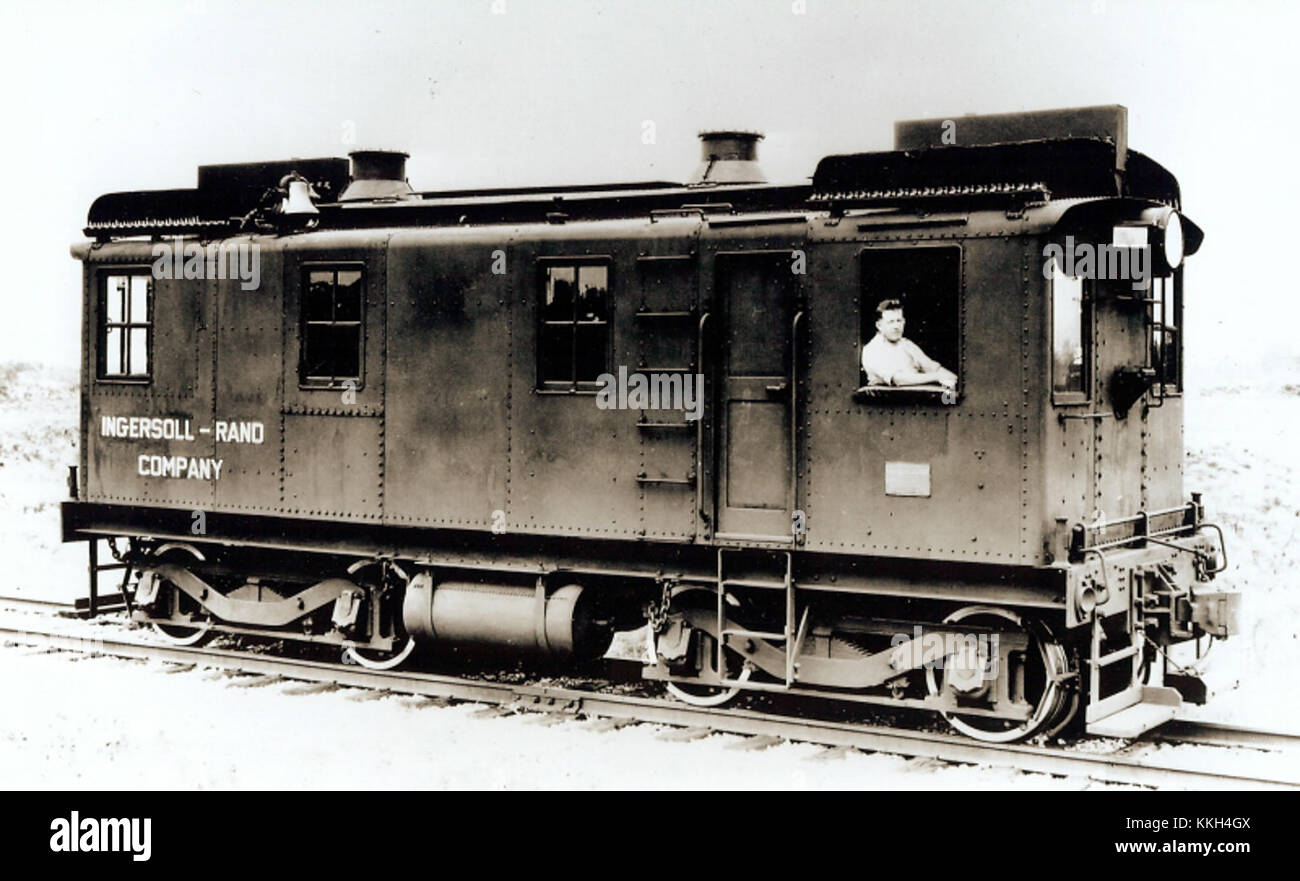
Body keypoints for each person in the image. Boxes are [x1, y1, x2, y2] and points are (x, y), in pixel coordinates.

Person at [861, 299, 957, 388]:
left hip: (918, 401)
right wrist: (937, 377)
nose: (896, 326)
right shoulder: (872, 350)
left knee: (950, 396)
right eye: (891, 322)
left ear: (904, 322)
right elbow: (898, 379)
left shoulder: (907, 345)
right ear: (879, 325)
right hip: (889, 403)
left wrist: (954, 381)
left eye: (899, 321)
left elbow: (933, 367)